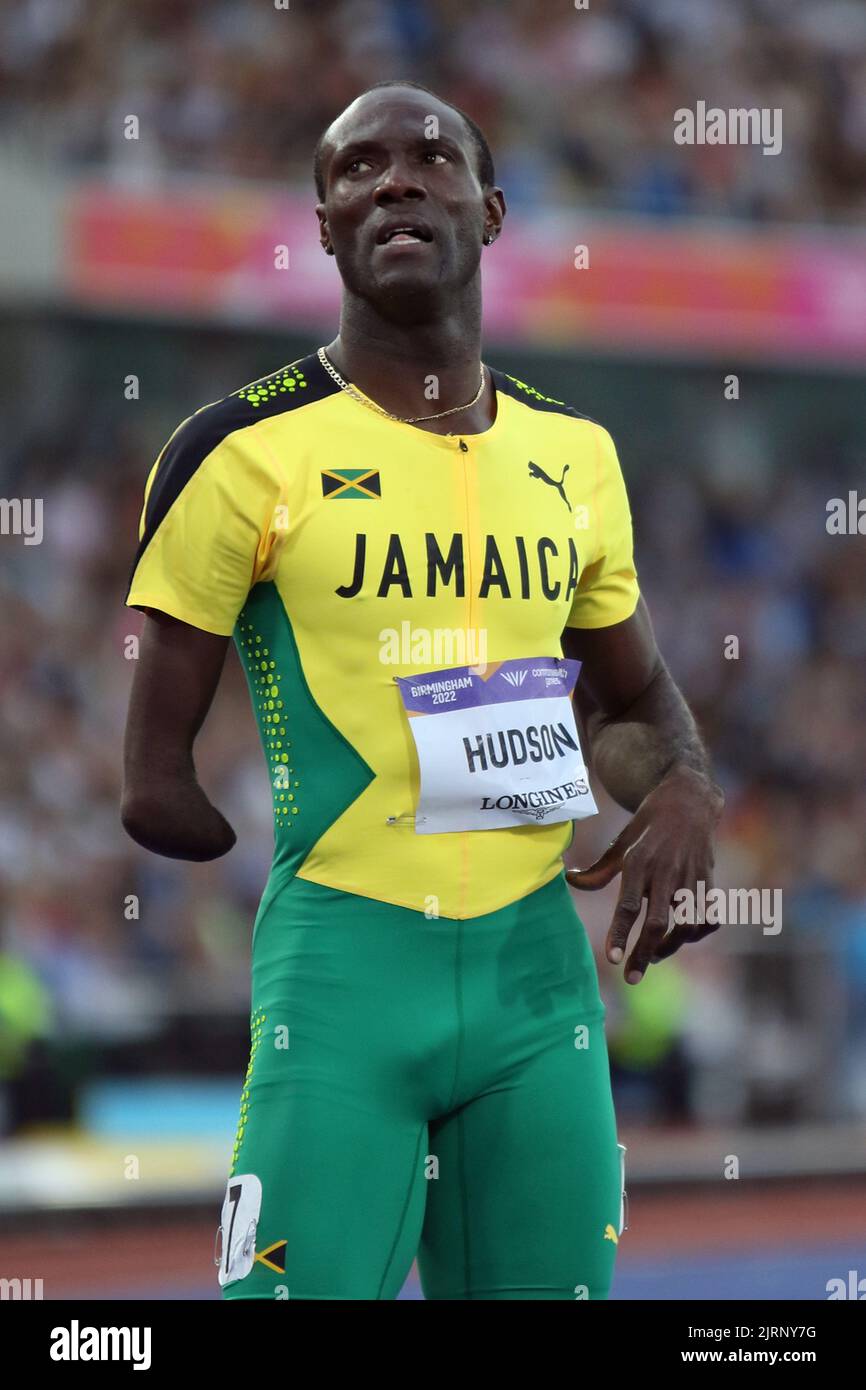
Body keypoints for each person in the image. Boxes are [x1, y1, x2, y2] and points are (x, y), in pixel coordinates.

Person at [121, 80, 724, 1300]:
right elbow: (155, 775)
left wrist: (683, 791)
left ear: (490, 212)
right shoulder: (235, 452)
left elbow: (631, 702)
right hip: (340, 978)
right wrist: (180, 810)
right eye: (356, 170)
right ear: (326, 225)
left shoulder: (574, 457)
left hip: (533, 984)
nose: (393, 180)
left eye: (429, 159)